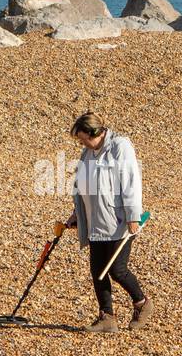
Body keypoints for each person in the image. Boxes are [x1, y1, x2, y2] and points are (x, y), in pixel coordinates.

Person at [63, 112, 154, 333]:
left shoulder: (120, 146)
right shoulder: (88, 152)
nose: (83, 143)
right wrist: (77, 213)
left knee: (116, 269)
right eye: (81, 140)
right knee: (97, 270)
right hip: (95, 220)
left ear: (97, 132)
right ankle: (107, 317)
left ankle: (142, 304)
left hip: (118, 219)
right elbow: (82, 186)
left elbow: (132, 181)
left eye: (85, 138)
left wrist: (133, 215)